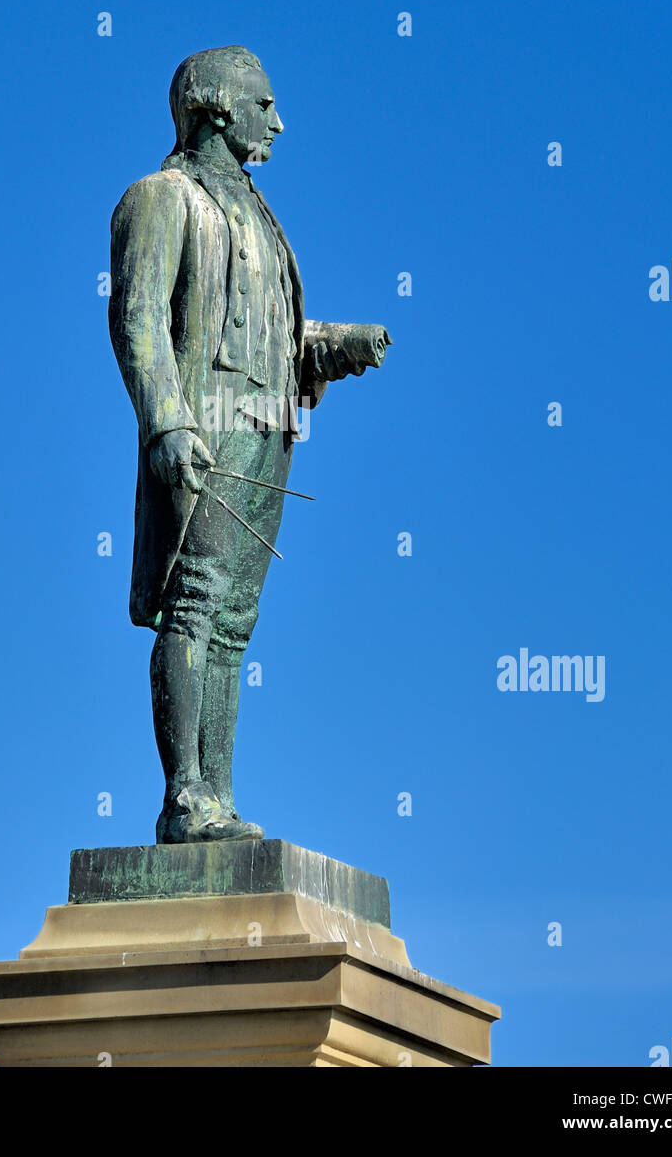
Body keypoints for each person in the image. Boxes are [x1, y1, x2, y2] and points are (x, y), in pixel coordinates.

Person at [109, 46, 390, 844]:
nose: (278, 120)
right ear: (215, 106)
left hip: (269, 426)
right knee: (194, 603)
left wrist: (333, 345)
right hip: (206, 423)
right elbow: (137, 322)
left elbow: (274, 337)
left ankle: (219, 798)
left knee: (235, 619)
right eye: (264, 103)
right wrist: (165, 420)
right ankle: (184, 797)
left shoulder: (264, 216)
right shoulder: (160, 199)